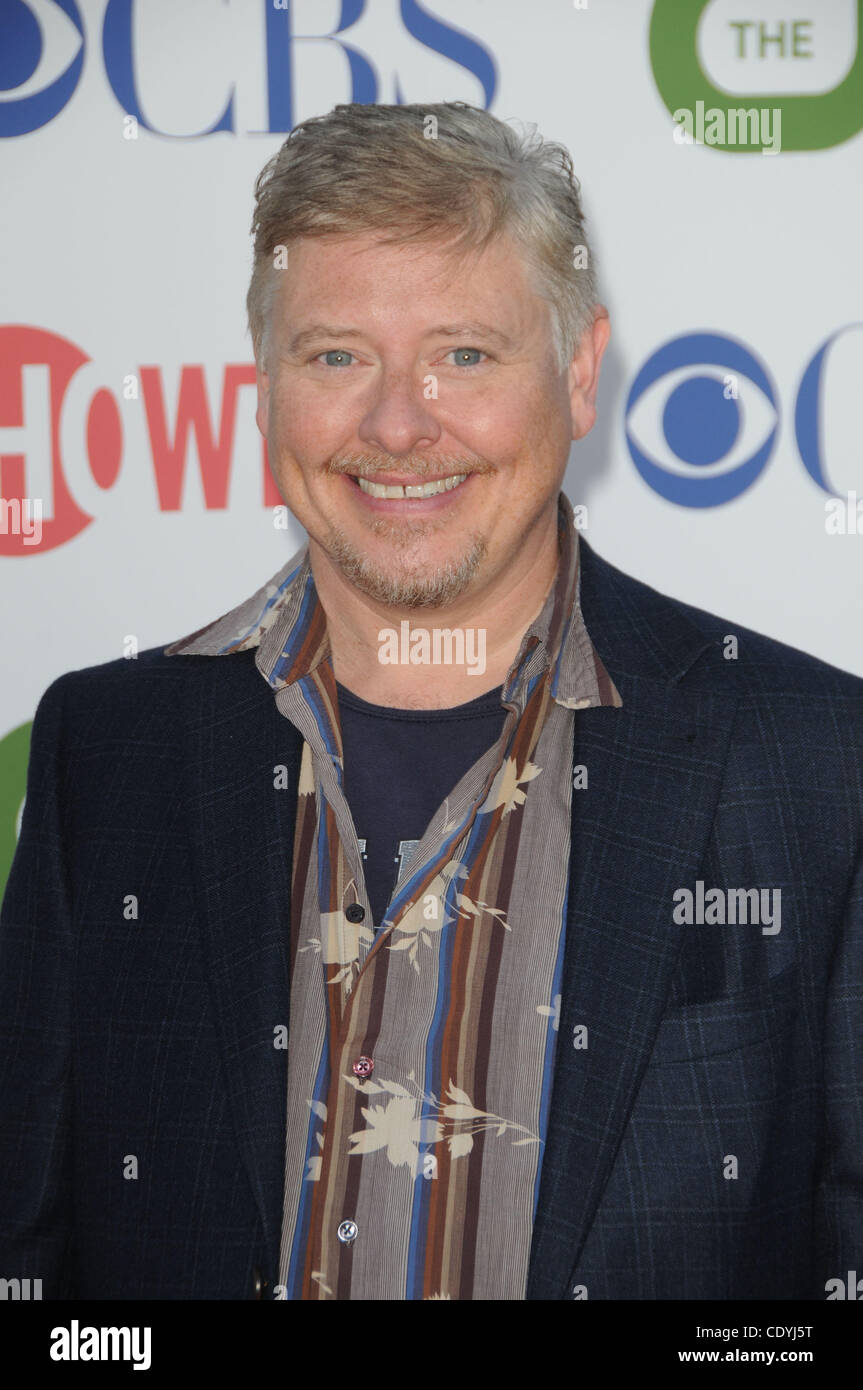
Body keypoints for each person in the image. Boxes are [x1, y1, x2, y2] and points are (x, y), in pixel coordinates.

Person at [1, 102, 861, 1302]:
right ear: (264, 387)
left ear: (575, 370)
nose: (399, 424)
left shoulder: (813, 758)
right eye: (336, 355)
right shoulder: (108, 753)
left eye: (463, 352)